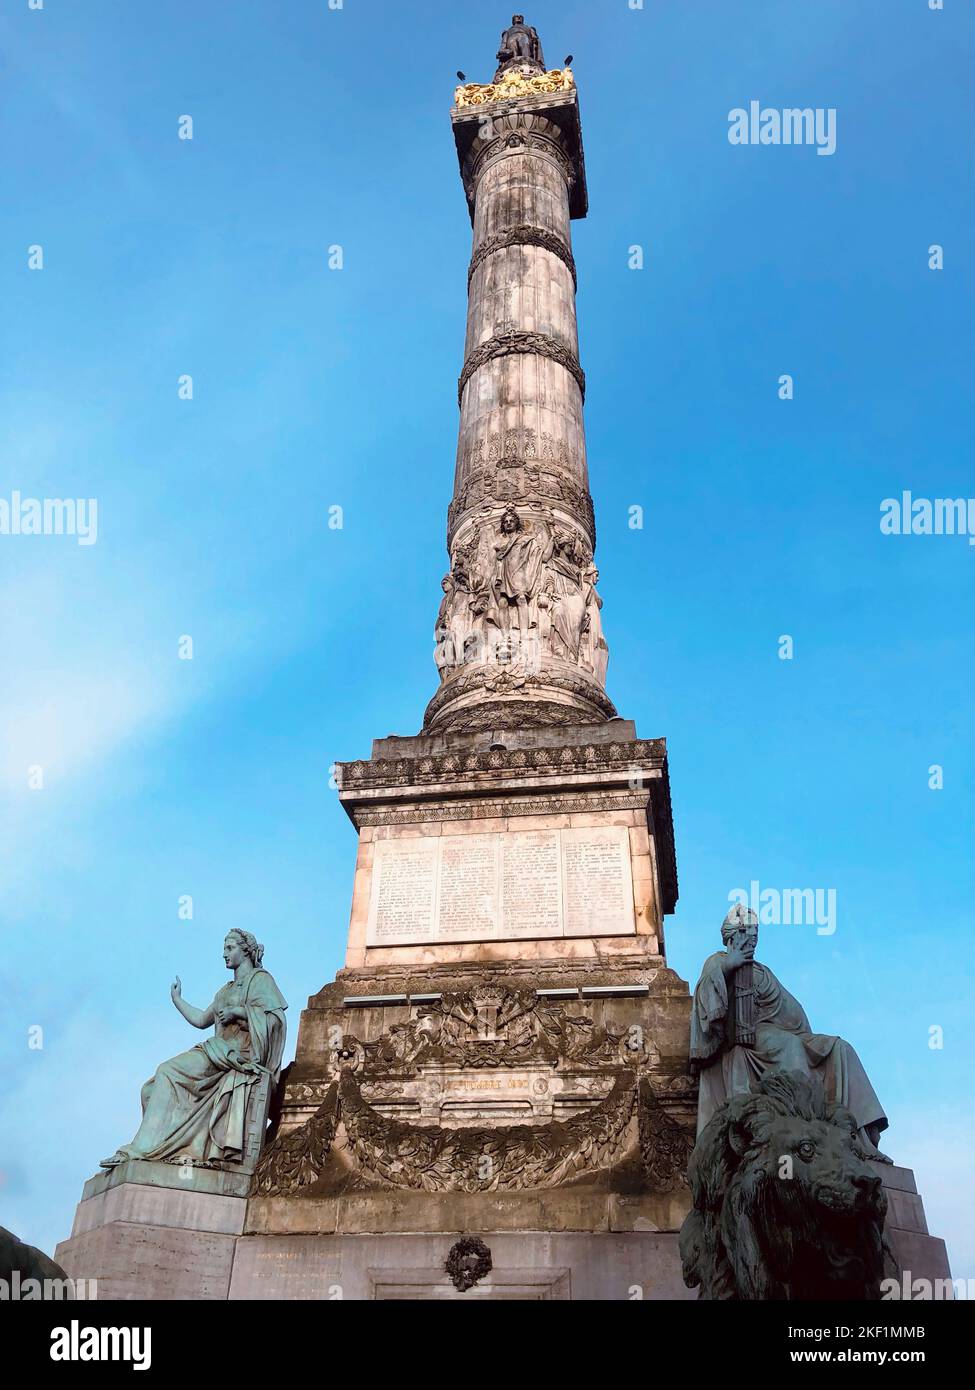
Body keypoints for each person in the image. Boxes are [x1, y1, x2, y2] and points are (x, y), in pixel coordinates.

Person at [689, 906, 889, 1158]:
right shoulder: (717, 961)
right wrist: (730, 966)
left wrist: (811, 1041)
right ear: (731, 935)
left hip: (785, 1033)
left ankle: (859, 1140)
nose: (752, 936)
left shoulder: (763, 970)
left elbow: (792, 1014)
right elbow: (707, 1003)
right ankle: (807, 1128)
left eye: (755, 930)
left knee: (840, 1048)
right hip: (751, 1039)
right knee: (789, 1046)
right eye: (745, 930)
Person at [100, 930, 287, 1168]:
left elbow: (275, 1020)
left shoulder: (261, 980)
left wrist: (239, 1013)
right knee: (153, 1085)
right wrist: (178, 1000)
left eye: (229, 948)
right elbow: (201, 1020)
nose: (224, 954)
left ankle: (141, 1150)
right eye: (224, 948)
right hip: (216, 1052)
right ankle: (164, 1148)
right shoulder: (225, 991)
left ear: (246, 950)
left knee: (167, 1072)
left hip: (237, 1056)